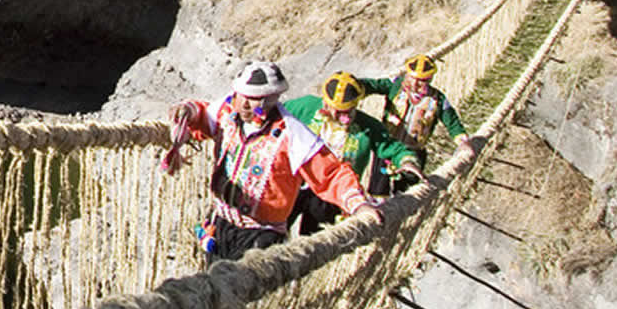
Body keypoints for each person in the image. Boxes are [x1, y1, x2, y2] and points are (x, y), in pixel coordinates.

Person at [163, 61, 382, 261]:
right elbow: (203, 117)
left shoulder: (291, 133)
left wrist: (358, 205)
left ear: (271, 100)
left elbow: (330, 173)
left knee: (240, 295)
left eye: (256, 100)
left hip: (259, 235)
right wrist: (186, 112)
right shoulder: (228, 111)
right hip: (220, 221)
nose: (245, 105)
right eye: (242, 97)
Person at [283, 73, 424, 234]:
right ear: (326, 104)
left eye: (350, 111)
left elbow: (392, 147)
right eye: (340, 112)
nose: (346, 118)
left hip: (334, 194)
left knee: (313, 244)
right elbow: (275, 114)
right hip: (294, 185)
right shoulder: (305, 107)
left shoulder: (367, 126)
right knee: (274, 234)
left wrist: (407, 161)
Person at [359, 55, 476, 184]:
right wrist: (354, 86)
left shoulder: (437, 100)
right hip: (388, 148)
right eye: (412, 78)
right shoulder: (396, 86)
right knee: (378, 192)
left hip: (414, 152)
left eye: (421, 80)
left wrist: (463, 141)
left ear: (429, 79)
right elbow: (373, 85)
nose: (415, 84)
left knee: (406, 195)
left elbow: (452, 122)